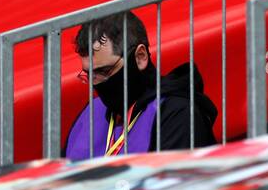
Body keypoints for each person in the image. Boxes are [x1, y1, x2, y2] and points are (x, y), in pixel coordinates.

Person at [64, 10, 217, 160]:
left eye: (105, 71)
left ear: (140, 57)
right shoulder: (91, 112)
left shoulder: (178, 114)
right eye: (90, 75)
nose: (96, 83)